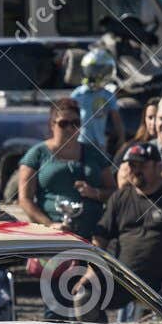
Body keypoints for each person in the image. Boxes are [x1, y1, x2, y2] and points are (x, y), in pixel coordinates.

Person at [93, 142, 162, 316]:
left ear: (158, 166)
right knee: (84, 294)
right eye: (132, 165)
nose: (136, 170)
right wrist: (91, 271)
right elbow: (101, 237)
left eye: (142, 165)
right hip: (123, 279)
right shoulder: (120, 197)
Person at [17, 98, 115, 238]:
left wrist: (96, 192)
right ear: (52, 124)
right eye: (64, 124)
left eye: (75, 123)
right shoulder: (37, 154)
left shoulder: (95, 153)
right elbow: (25, 199)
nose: (70, 128)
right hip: (51, 236)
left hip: (93, 236)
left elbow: (114, 192)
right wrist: (49, 225)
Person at [72, 48, 123, 156]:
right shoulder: (78, 94)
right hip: (80, 141)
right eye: (94, 71)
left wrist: (121, 137)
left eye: (101, 72)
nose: (97, 75)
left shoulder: (108, 95)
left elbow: (116, 119)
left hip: (100, 143)